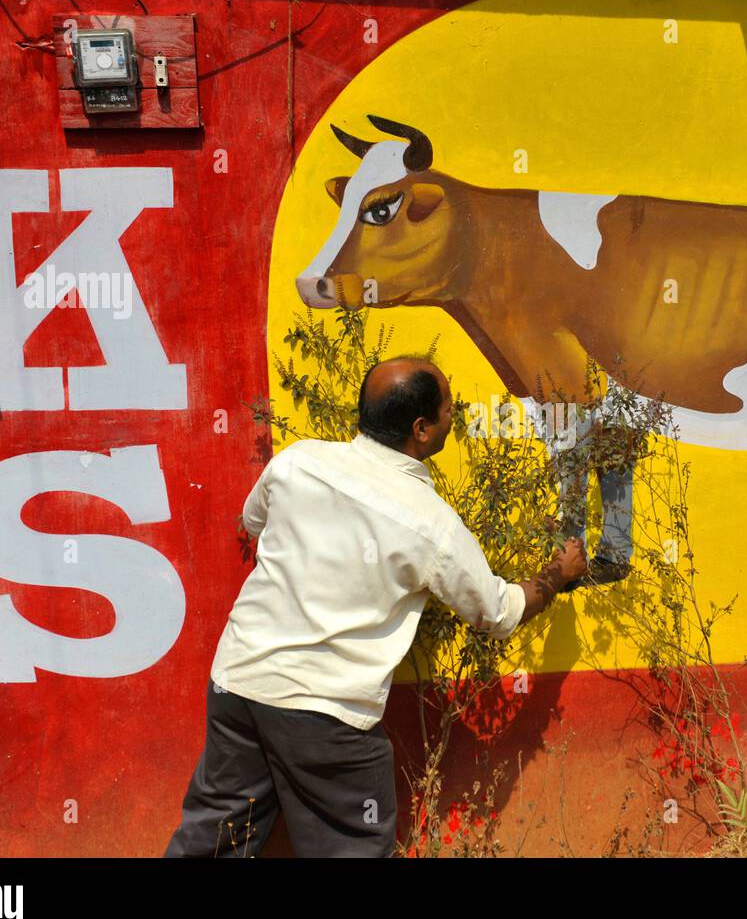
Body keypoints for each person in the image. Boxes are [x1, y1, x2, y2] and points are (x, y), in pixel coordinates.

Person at [164, 355, 588, 857]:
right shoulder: (430, 523)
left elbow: (253, 521)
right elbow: (498, 612)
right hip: (324, 714)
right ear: (422, 429)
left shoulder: (298, 462)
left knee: (213, 839)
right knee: (353, 846)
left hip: (239, 683)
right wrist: (557, 576)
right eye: (449, 407)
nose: (456, 414)